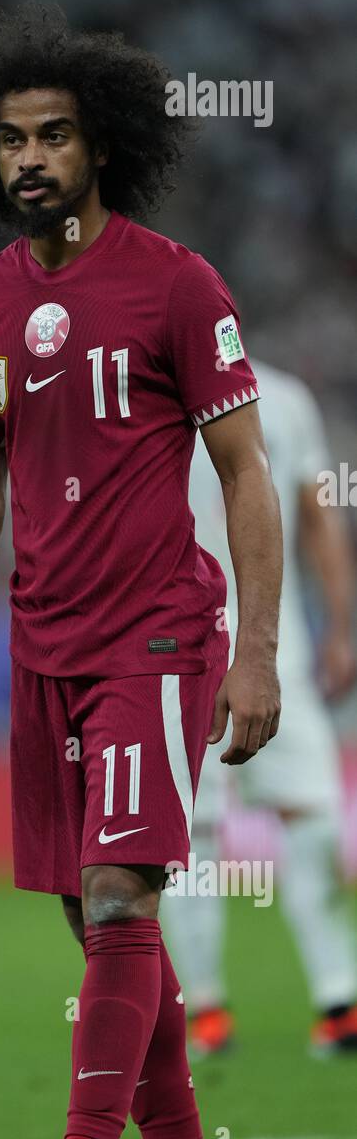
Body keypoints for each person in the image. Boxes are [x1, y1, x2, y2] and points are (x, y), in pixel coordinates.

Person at [0, 5, 282, 1139]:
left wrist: (255, 649)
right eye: (11, 139)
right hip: (43, 651)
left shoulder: (177, 284)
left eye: (54, 137)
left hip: (157, 639)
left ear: (101, 147)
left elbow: (243, 472)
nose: (31, 160)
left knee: (121, 895)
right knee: (97, 919)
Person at [162, 358, 357, 1056]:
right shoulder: (152, 388)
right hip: (178, 645)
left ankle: (338, 999)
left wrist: (340, 625)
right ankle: (206, 1009)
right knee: (192, 834)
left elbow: (317, 517)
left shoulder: (284, 397)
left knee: (314, 811)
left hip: (276, 644)